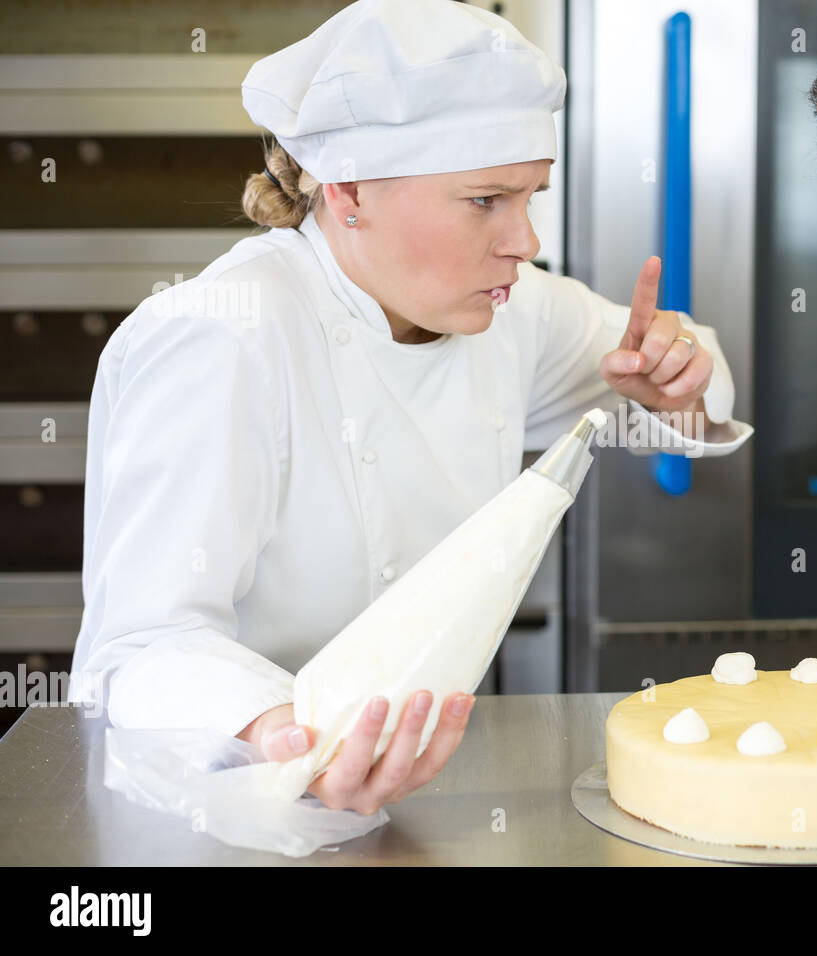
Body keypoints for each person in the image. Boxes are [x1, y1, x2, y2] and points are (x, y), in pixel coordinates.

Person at [70, 0, 751, 814]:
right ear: (350, 189)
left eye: (531, 195)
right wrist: (284, 734)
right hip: (223, 801)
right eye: (485, 201)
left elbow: (695, 374)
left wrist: (678, 381)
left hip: (410, 790)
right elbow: (142, 647)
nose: (525, 239)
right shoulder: (223, 339)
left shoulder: (512, 309)